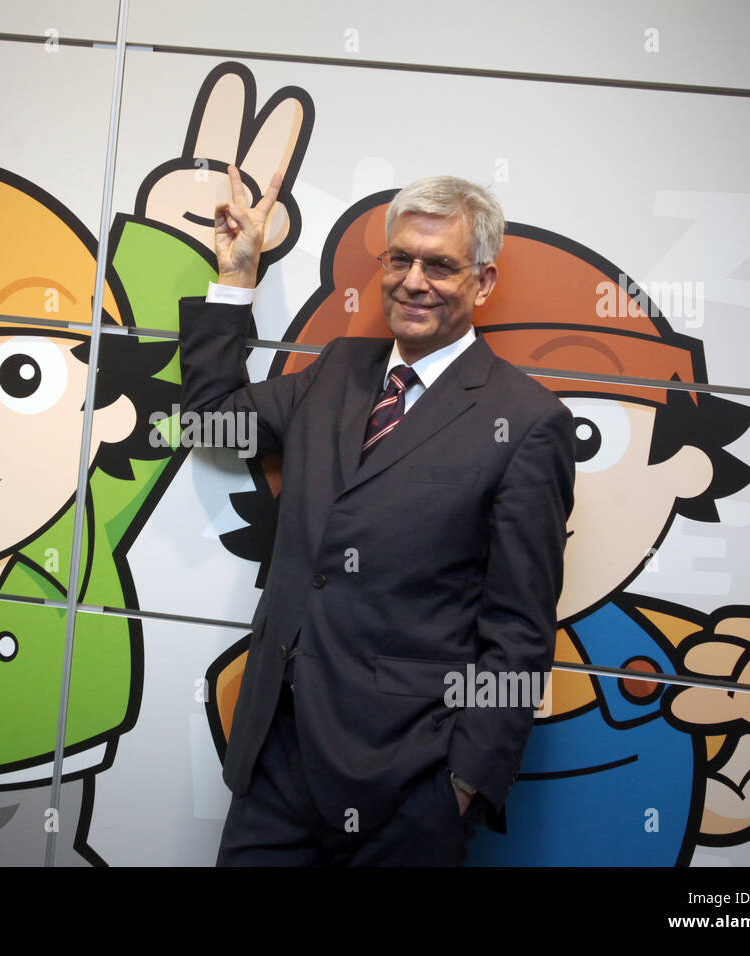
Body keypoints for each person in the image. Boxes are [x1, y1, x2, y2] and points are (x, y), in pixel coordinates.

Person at [179, 168, 576, 865]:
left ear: (481, 283)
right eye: (400, 258)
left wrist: (460, 786)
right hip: (276, 760)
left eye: (440, 265)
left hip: (408, 789)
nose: (413, 280)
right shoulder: (339, 368)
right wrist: (235, 279)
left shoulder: (527, 421)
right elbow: (211, 425)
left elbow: (518, 633)